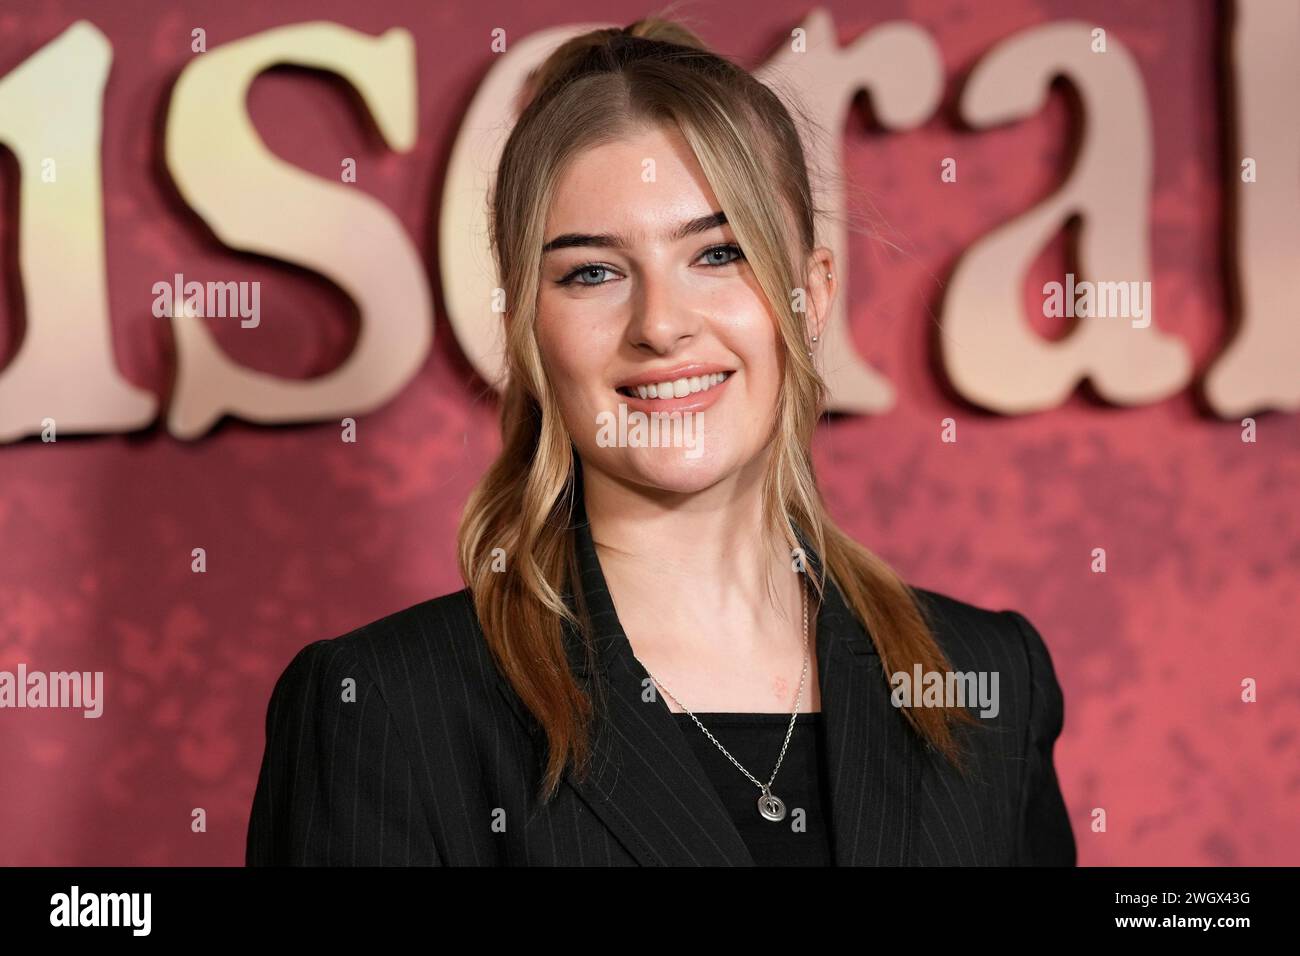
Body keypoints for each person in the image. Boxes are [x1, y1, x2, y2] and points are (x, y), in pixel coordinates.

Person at [246, 16, 1075, 866]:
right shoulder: (386, 709)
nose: (661, 325)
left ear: (812, 293)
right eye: (592, 272)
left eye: (717, 254)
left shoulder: (987, 680)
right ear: (527, 326)